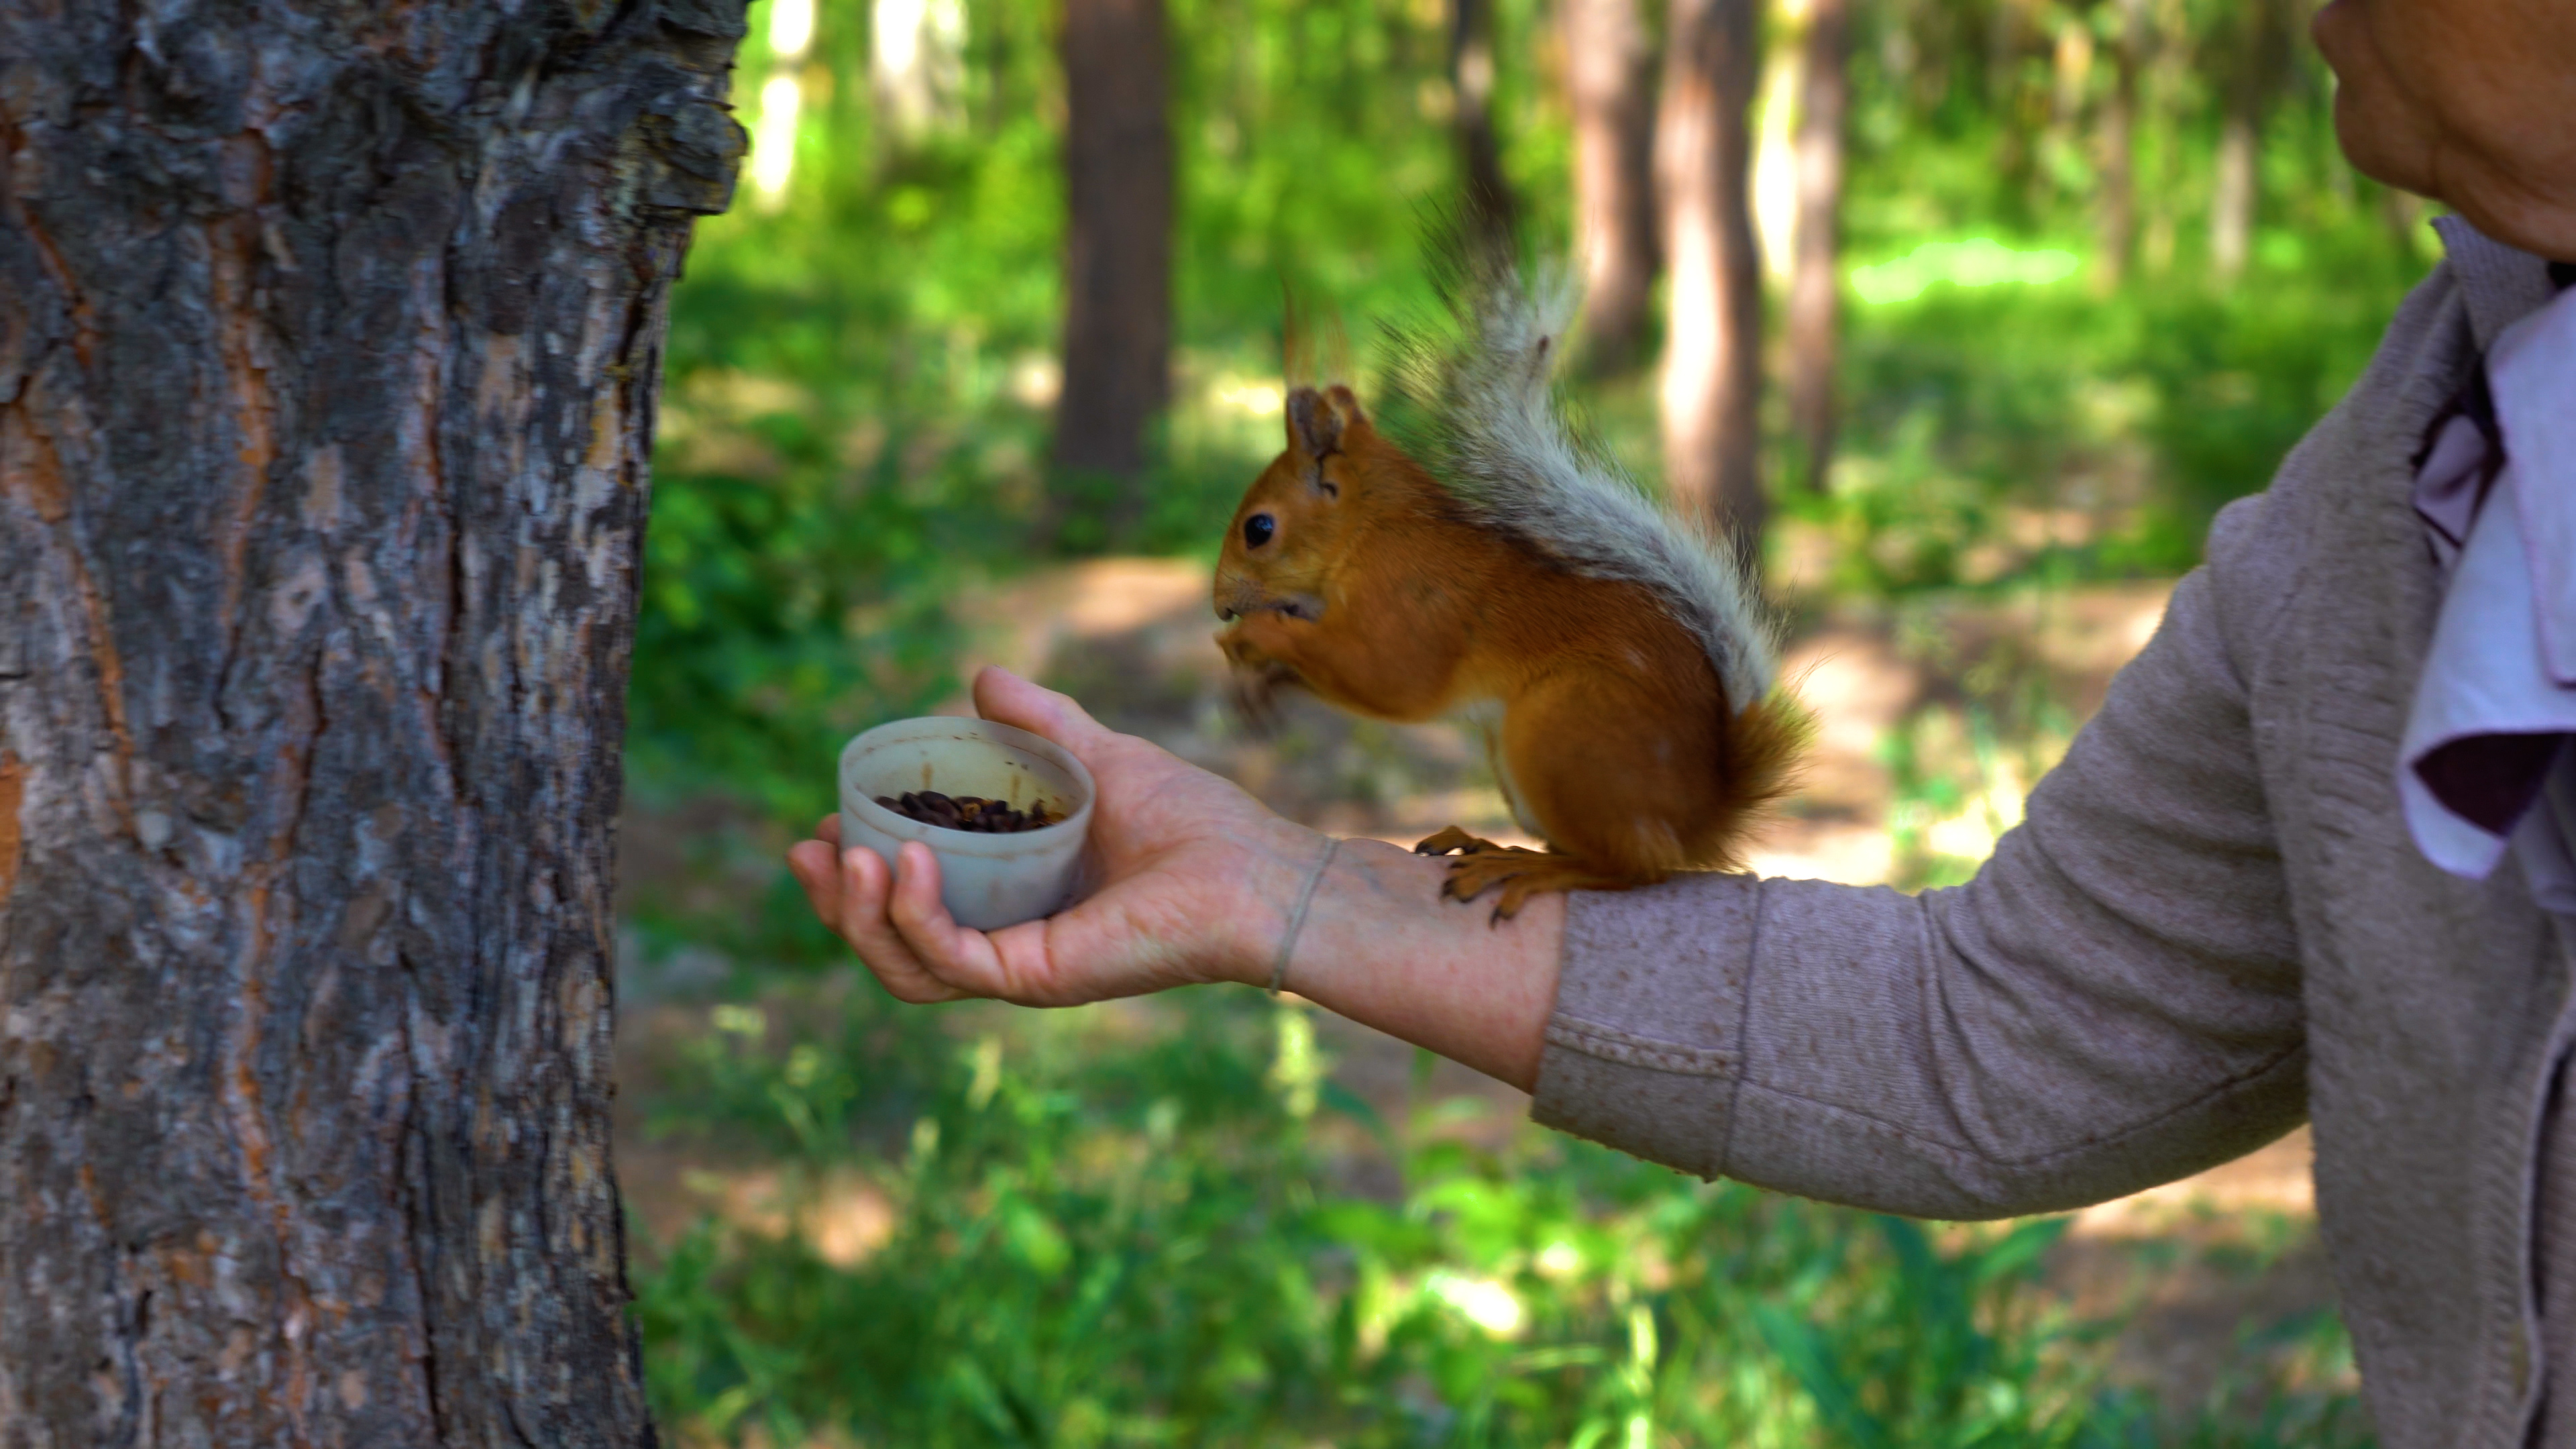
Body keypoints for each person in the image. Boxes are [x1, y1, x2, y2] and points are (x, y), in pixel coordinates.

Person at [788, 2, 2576, 1442]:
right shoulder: (2399, 481)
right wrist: (1287, 896)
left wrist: (1302, 660)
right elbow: (2002, 1038)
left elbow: (1410, 672)